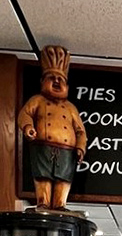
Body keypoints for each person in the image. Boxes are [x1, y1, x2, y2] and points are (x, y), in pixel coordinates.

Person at [17, 45, 87, 210]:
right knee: (43, 177)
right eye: (52, 78)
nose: (56, 81)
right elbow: (24, 114)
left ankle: (60, 204)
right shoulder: (37, 100)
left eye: (60, 79)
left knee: (64, 179)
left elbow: (80, 131)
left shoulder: (70, 108)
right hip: (42, 146)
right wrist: (28, 127)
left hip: (66, 151)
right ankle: (43, 202)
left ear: (67, 87)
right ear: (42, 82)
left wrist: (80, 148)